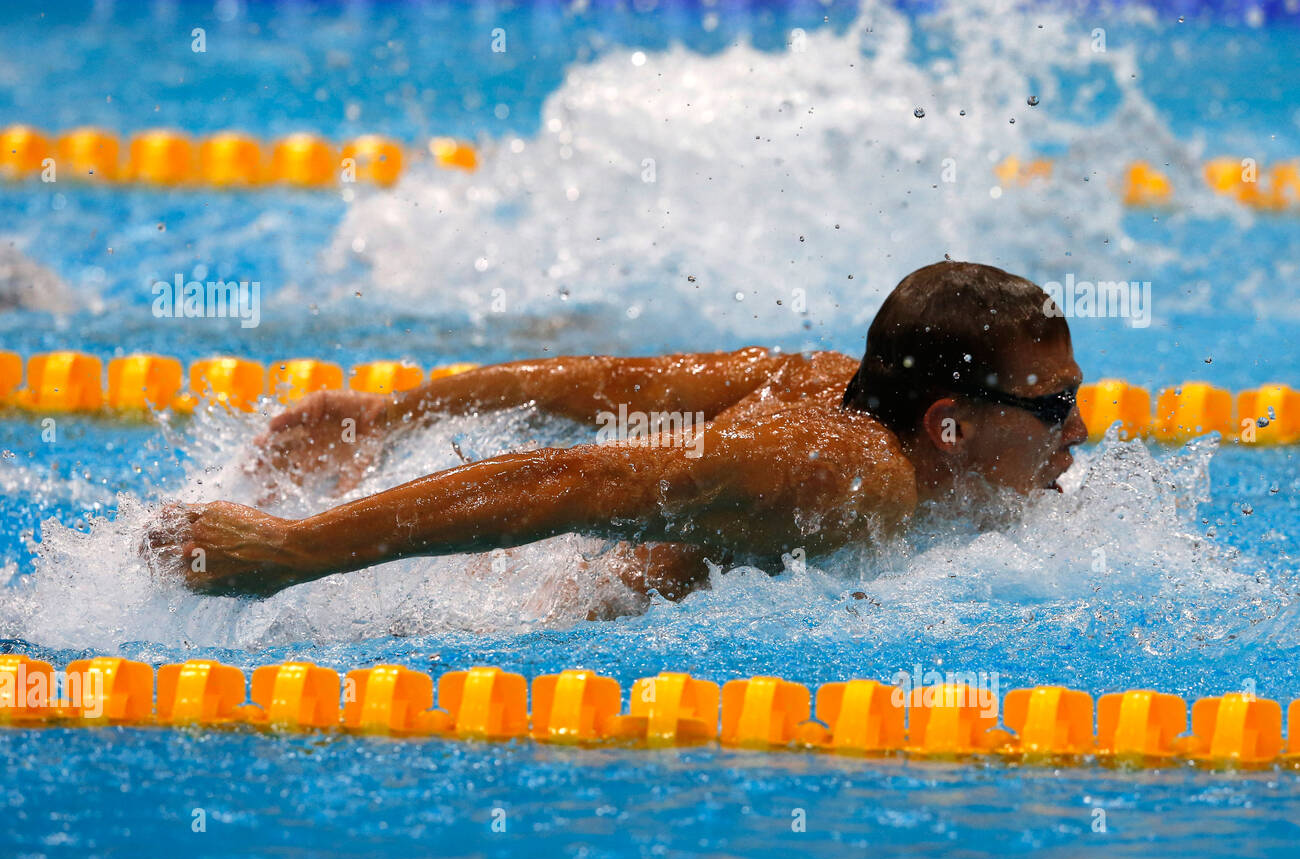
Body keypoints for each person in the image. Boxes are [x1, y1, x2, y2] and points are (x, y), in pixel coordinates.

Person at [146, 260, 1087, 601]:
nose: (1079, 430)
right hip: (542, 621)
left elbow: (608, 382)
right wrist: (298, 549)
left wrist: (395, 415)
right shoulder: (836, 476)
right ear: (950, 426)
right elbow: (576, 481)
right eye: (1052, 408)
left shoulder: (830, 383)